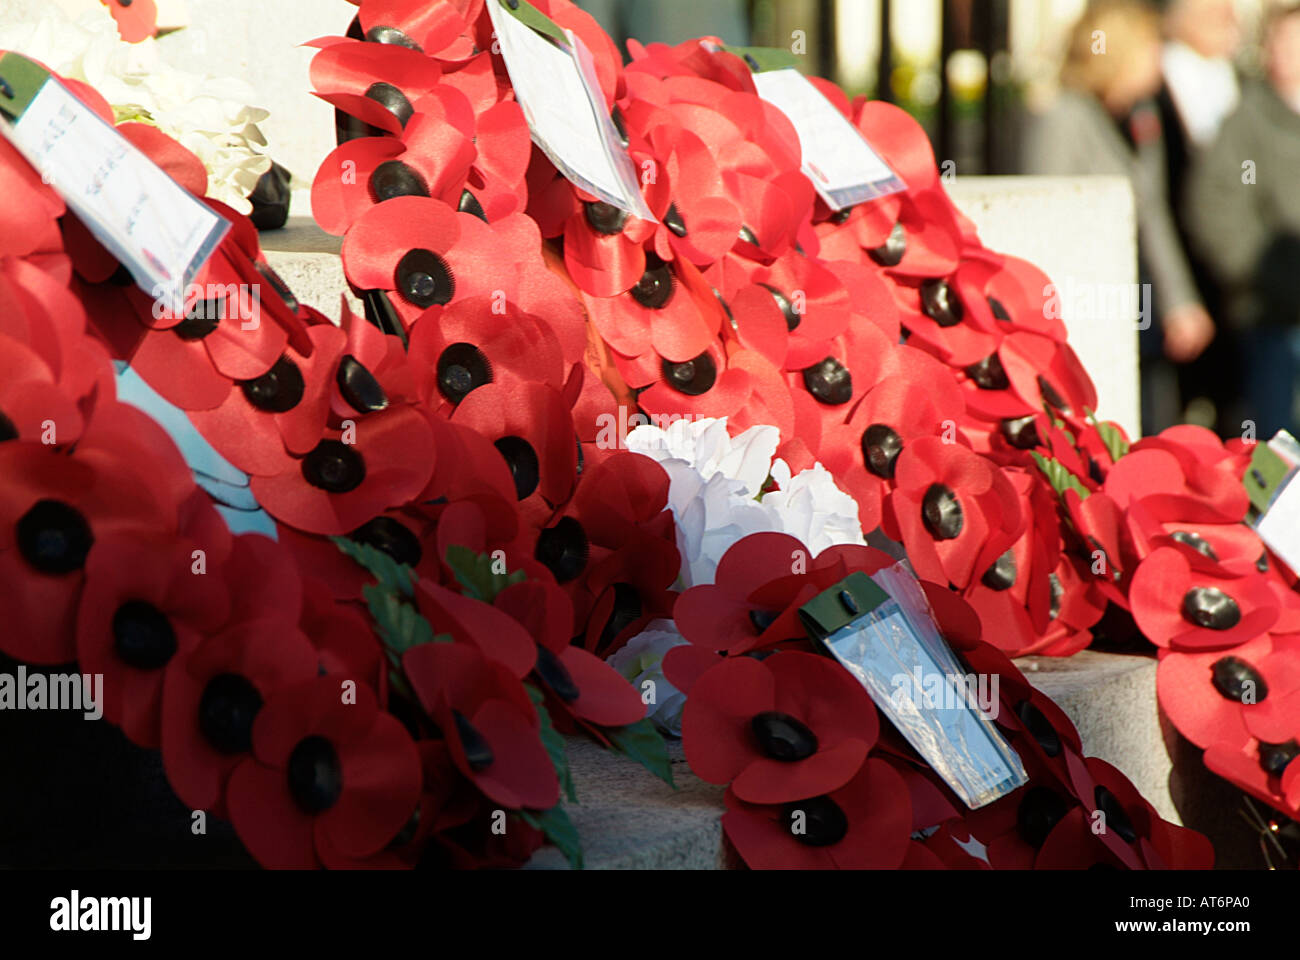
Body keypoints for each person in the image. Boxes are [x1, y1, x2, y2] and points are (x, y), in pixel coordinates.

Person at [1024, 0, 1216, 435]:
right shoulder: (1064, 119)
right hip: (1087, 307)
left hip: (1138, 301)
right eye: (1151, 47)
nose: (1159, 58)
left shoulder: (1139, 117)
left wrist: (1180, 302)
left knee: (1152, 420)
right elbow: (1046, 220)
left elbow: (1153, 213)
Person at [1185, 2, 1300, 440]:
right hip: (1275, 318)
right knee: (1278, 451)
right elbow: (1214, 208)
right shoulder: (1245, 121)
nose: (1287, 52)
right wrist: (1269, 275)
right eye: (1281, 41)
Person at [1157, 0, 1244, 435]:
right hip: (1177, 275)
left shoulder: (1244, 81)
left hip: (1240, 281)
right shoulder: (1150, 84)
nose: (1228, 15)